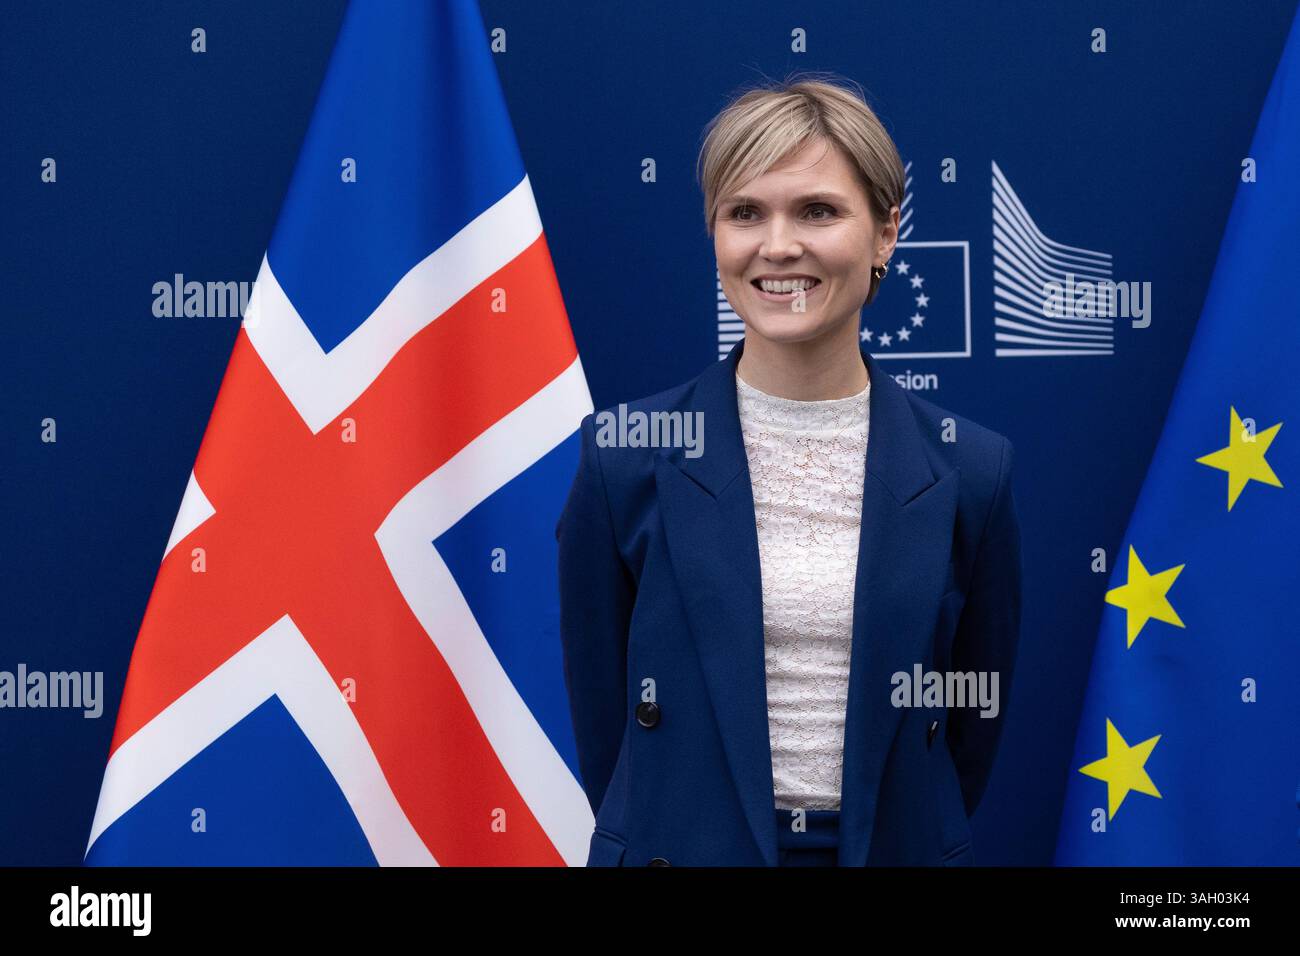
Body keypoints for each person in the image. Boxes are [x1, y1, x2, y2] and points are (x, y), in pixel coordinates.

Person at [556, 72, 1022, 866]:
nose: (777, 245)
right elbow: (609, 727)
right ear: (715, 234)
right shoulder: (625, 452)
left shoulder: (971, 467)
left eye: (817, 210)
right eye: (745, 213)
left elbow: (966, 730)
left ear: (884, 233)